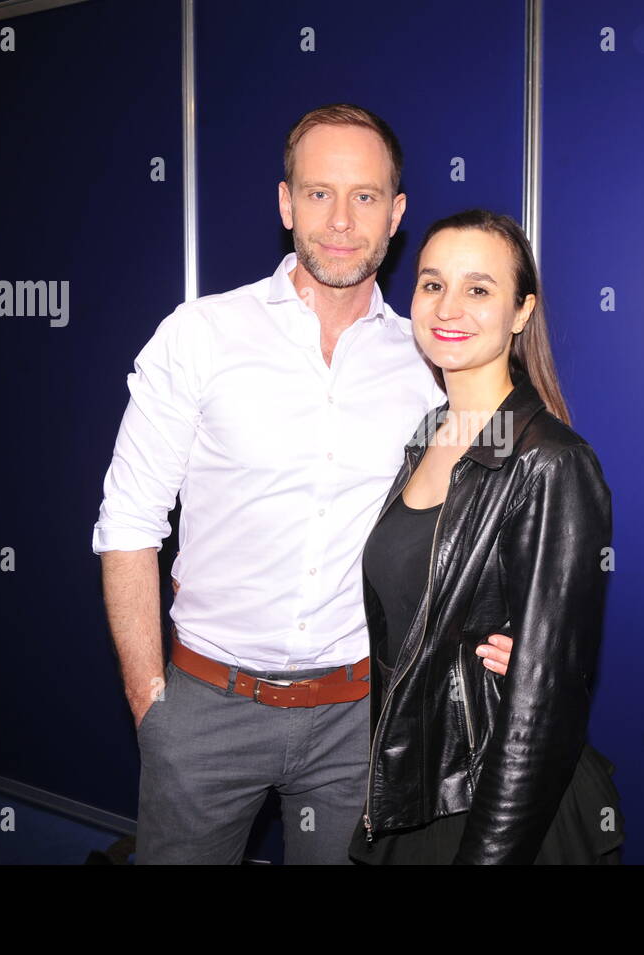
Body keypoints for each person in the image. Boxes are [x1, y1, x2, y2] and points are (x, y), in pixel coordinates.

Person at [91, 104, 515, 864]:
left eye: (366, 196)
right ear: (286, 204)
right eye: (319, 193)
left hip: (360, 719)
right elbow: (128, 521)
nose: (343, 221)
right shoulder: (200, 336)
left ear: (397, 215)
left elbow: (475, 521)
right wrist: (149, 700)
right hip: (204, 711)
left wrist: (516, 629)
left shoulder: (428, 365)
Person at [347, 209, 624, 864]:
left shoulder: (551, 462)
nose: (449, 307)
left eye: (479, 289)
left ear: (522, 311)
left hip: (501, 803)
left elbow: (544, 708)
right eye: (432, 283)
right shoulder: (426, 435)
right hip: (421, 790)